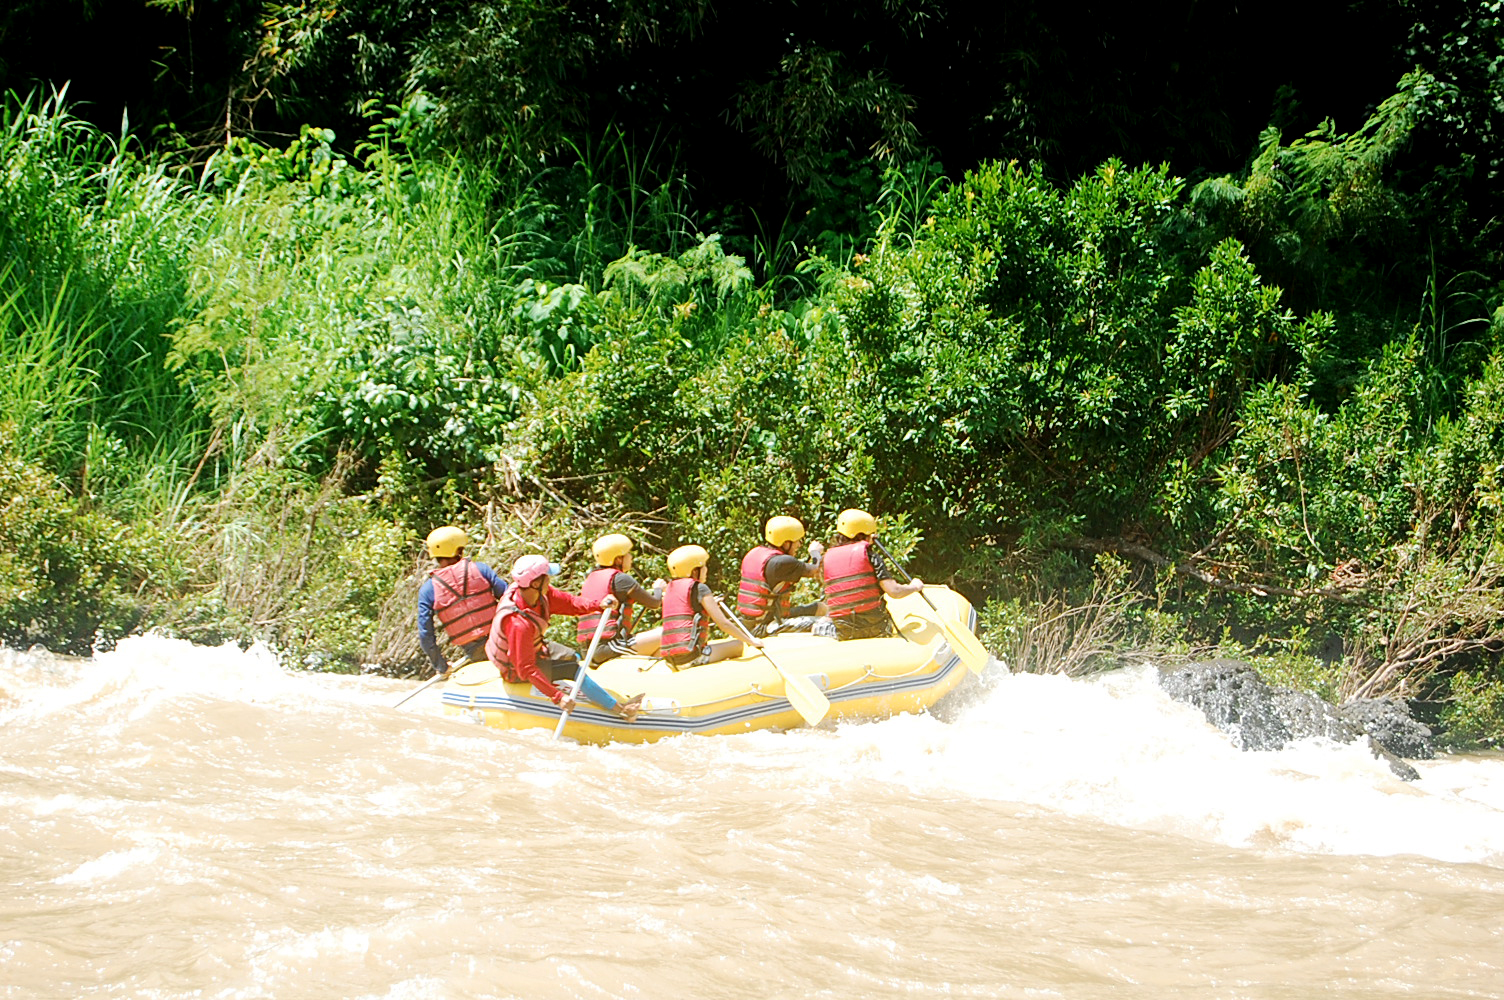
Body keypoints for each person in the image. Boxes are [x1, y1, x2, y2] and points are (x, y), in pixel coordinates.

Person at [486, 554, 644, 721]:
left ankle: (588, 689)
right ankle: (620, 710)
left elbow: (571, 603)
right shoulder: (518, 624)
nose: (549, 580)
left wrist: (598, 604)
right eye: (546, 577)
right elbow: (525, 668)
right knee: (571, 667)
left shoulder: (540, 595)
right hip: (513, 670)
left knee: (573, 655)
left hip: (535, 649)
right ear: (536, 583)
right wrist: (558, 697)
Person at [416, 525, 507, 677]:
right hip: (504, 639)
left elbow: (426, 634)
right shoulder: (480, 569)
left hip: (475, 651)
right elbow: (510, 597)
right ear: (459, 551)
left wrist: (441, 665)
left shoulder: (428, 590)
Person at [821, 509, 925, 640]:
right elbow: (894, 591)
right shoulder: (870, 556)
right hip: (875, 627)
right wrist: (914, 587)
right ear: (863, 534)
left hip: (844, 630)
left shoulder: (827, 558)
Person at [660, 544, 763, 668]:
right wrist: (751, 641)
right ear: (694, 570)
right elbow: (723, 624)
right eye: (703, 567)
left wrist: (711, 602)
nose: (706, 570)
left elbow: (687, 607)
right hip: (692, 657)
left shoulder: (670, 588)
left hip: (670, 660)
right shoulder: (700, 588)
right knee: (738, 645)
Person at [736, 515, 827, 636]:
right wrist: (815, 553)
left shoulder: (754, 553)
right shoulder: (781, 562)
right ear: (785, 543)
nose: (799, 545)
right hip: (765, 626)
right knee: (825, 622)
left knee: (821, 607)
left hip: (749, 623)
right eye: (796, 541)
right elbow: (815, 571)